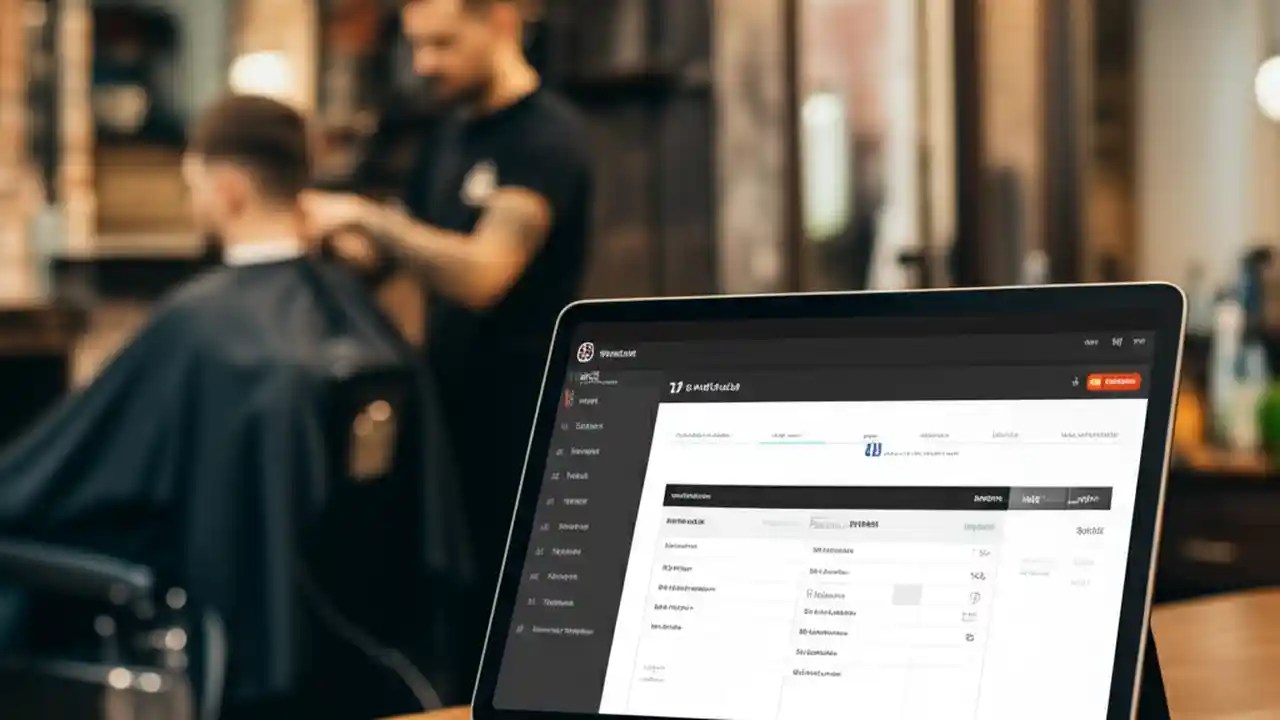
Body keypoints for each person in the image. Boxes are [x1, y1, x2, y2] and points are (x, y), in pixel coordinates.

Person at [0, 95, 471, 715]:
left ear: (227, 191)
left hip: (239, 648)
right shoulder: (360, 319)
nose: (193, 201)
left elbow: (61, 477)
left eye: (192, 185)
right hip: (354, 662)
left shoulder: (201, 327)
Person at [303, 0, 594, 627]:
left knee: (520, 619)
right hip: (454, 415)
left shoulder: (546, 138)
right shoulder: (448, 138)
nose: (425, 64)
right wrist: (307, 235)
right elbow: (397, 255)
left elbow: (483, 273)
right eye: (416, 46)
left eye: (442, 44)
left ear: (500, 23)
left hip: (535, 429)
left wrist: (367, 217)